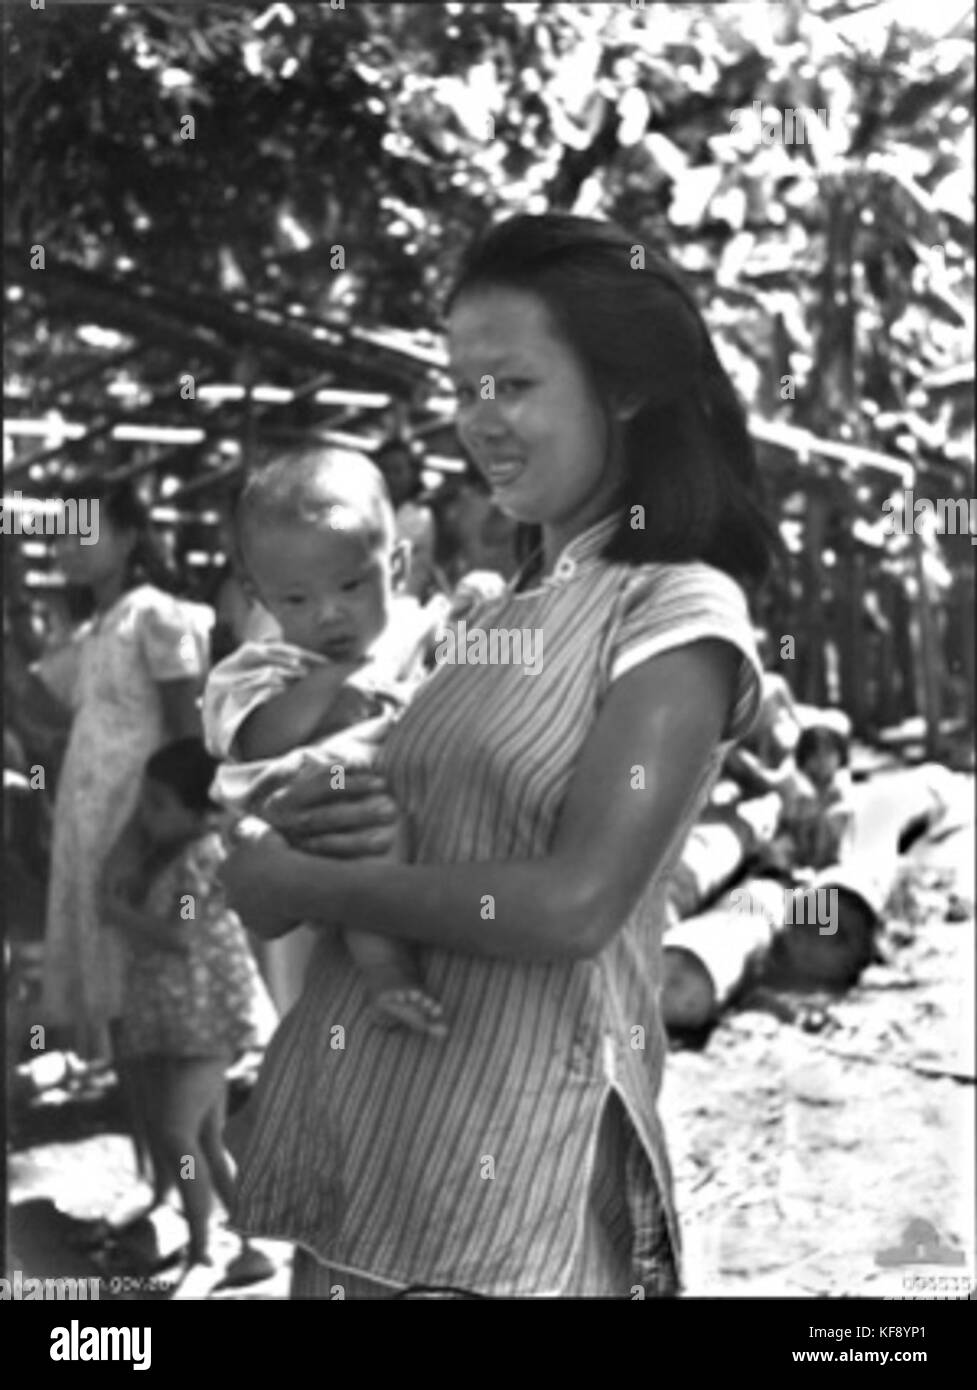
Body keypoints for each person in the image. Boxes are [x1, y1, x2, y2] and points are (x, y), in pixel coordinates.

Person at [220, 212, 777, 1298]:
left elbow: (574, 903)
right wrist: (264, 849)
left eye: (511, 384)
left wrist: (303, 878)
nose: (479, 422)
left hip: (518, 1158)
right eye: (463, 387)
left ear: (622, 387)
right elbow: (336, 789)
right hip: (368, 1140)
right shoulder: (490, 609)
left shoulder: (672, 608)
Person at [203, 447, 448, 1035]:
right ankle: (386, 971)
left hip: (420, 804)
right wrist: (335, 678)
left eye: (350, 585)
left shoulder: (420, 629)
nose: (329, 615)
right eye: (297, 600)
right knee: (368, 836)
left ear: (396, 566)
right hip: (320, 806)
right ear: (257, 596)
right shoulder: (264, 667)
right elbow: (262, 738)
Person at [31, 479, 213, 1194]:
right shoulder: (92, 630)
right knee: (119, 1009)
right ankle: (155, 1184)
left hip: (139, 832)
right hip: (92, 835)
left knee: (149, 1009)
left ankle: (184, 1192)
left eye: (85, 528)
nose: (68, 544)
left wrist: (158, 841)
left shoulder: (155, 617)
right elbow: (39, 705)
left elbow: (186, 738)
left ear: (130, 536)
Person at [100, 739, 276, 1297]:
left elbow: (181, 933)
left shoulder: (201, 856)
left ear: (198, 810)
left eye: (156, 805)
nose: (145, 818)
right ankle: (252, 1246)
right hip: (180, 1018)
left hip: (206, 1023)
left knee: (178, 1132)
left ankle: (203, 1248)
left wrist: (118, 914)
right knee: (204, 1136)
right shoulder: (172, 855)